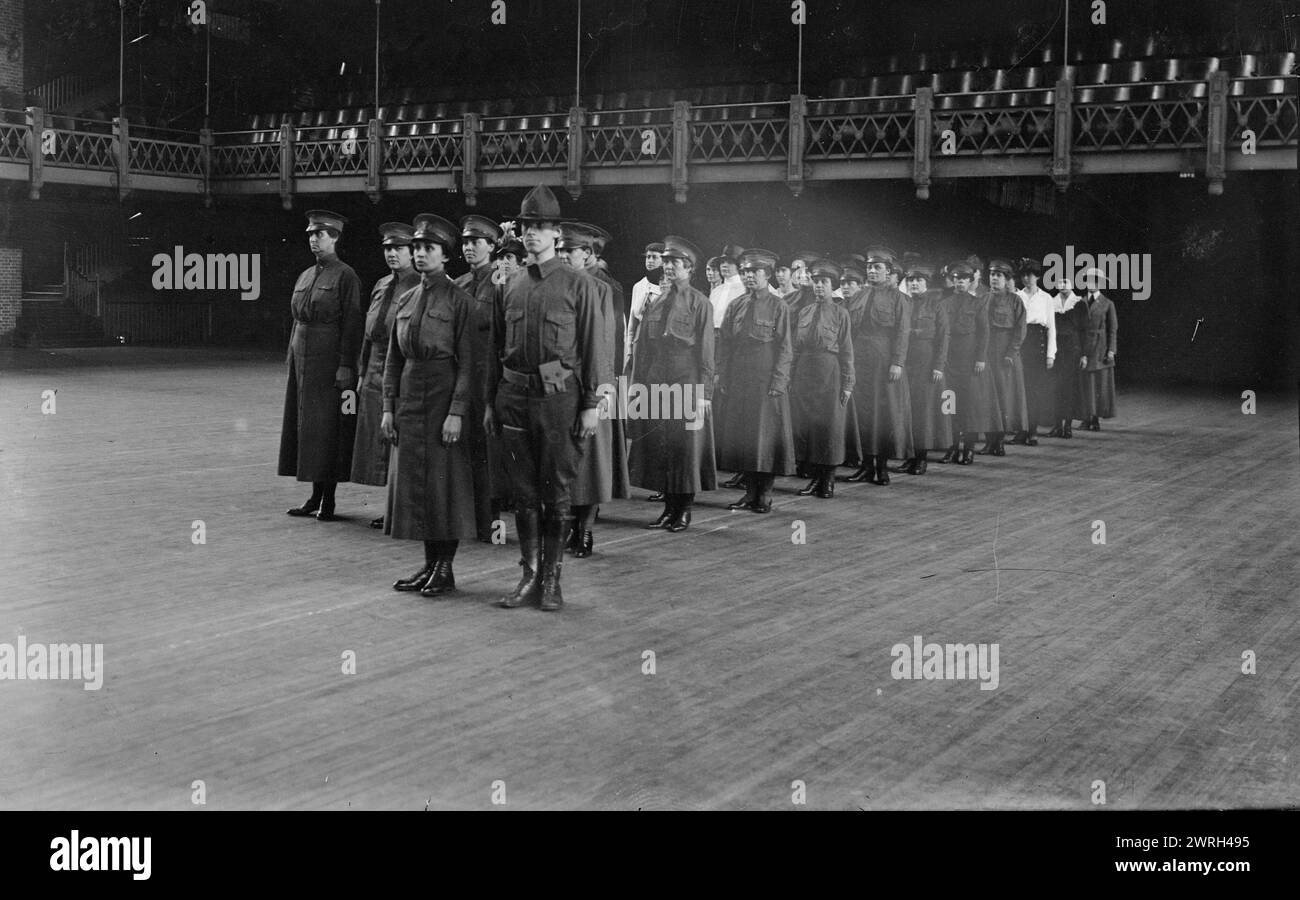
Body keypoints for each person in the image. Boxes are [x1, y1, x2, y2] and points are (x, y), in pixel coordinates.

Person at [484, 185, 610, 612]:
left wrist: (591, 403)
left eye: (540, 226)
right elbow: (496, 350)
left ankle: (552, 581)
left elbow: (594, 347)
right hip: (514, 400)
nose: (532, 233)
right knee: (522, 495)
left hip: (560, 402)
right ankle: (529, 576)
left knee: (556, 494)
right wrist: (490, 403)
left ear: (556, 233)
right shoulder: (511, 286)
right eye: (526, 226)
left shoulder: (580, 285)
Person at [381, 214, 477, 597]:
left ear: (445, 255)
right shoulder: (407, 298)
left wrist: (456, 412)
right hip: (410, 396)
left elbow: (469, 363)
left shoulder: (460, 301)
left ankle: (445, 567)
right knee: (418, 484)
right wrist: (388, 406)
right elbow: (393, 358)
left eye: (429, 249)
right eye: (417, 248)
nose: (420, 254)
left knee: (443, 485)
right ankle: (428, 563)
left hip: (441, 393)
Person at [279, 210, 365, 521]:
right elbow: (296, 320)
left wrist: (346, 366)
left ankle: (328, 498)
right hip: (303, 364)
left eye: (322, 235)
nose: (315, 240)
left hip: (329, 364)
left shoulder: (346, 276)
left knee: (328, 430)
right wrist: (292, 356)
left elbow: (353, 325)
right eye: (312, 235)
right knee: (307, 431)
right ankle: (314, 495)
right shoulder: (305, 275)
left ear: (336, 238)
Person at [627, 235, 716, 532]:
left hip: (686, 380)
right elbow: (643, 348)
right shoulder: (655, 302)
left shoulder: (700, 303)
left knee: (684, 448)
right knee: (661, 445)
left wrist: (704, 393)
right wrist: (637, 385)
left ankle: (684, 510)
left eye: (673, 262)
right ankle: (668, 509)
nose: (667, 266)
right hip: (656, 380)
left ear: (688, 267)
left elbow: (705, 350)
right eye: (664, 261)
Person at [557, 222, 630, 557]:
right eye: (559, 250)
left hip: (593, 386)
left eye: (568, 251)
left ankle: (584, 532)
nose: (562, 256)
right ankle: (570, 529)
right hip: (560, 384)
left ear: (587, 254)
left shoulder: (603, 289)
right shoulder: (556, 286)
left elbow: (608, 343)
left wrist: (604, 390)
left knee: (591, 464)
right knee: (568, 464)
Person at [716, 248, 796, 513]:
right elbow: (724, 346)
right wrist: (723, 376)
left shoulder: (778, 306)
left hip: (766, 382)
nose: (749, 276)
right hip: (740, 381)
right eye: (746, 271)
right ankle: (749, 493)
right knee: (745, 439)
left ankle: (764, 496)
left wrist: (779, 381)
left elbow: (785, 348)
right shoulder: (736, 305)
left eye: (754, 271)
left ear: (767, 274)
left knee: (765, 440)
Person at [352, 222, 420, 529]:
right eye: (388, 249)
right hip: (376, 370)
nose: (392, 254)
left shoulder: (419, 287)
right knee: (379, 441)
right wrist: (362, 371)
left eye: (399, 249)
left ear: (412, 252)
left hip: (402, 368)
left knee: (400, 440)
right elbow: (369, 334)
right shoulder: (381, 285)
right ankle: (391, 506)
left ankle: (404, 507)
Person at [455, 214, 512, 542]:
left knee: (491, 454)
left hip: (492, 377)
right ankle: (469, 517)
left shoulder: (502, 283)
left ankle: (492, 524)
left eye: (476, 242)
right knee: (466, 450)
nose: (469, 248)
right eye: (465, 242)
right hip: (464, 377)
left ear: (491, 247)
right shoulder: (459, 284)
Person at [844, 247, 912, 485]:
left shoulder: (898, 299)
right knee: (863, 415)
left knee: (883, 415)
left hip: (884, 363)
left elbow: (903, 333)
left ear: (888, 271)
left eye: (877, 267)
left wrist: (897, 362)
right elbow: (850, 332)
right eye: (869, 267)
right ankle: (865, 466)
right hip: (860, 361)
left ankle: (881, 467)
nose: (872, 271)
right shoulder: (858, 296)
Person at [789, 259, 854, 499]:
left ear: (832, 285)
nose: (818, 286)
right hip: (805, 374)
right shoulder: (804, 312)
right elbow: (795, 349)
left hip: (829, 373)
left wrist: (847, 383)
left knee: (829, 429)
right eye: (815, 282)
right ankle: (814, 479)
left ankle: (827, 481)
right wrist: (790, 376)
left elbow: (847, 351)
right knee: (808, 428)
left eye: (823, 282)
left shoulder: (841, 313)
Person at [940, 260, 1001, 465]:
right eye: (956, 280)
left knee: (970, 407)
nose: (959, 284)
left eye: (963, 280)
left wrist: (980, 359)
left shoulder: (977, 303)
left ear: (970, 281)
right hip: (950, 361)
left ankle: (968, 449)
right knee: (950, 406)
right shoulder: (944, 304)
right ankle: (951, 448)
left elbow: (984, 333)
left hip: (970, 362)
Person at [898, 261, 950, 475]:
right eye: (911, 280)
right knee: (907, 411)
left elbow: (943, 337)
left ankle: (921, 458)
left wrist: (938, 366)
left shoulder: (937, 305)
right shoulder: (903, 304)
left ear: (926, 284)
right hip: (906, 362)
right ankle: (909, 456)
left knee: (924, 413)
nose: (914, 284)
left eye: (919, 280)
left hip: (926, 364)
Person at [980, 259, 1027, 456]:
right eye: (992, 275)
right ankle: (989, 441)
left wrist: (1010, 353)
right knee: (987, 398)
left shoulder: (1015, 300)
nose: (994, 279)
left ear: (1007, 279)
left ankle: (999, 442)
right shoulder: (983, 299)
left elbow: (1020, 330)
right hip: (985, 354)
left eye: (998, 275)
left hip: (1005, 356)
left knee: (1003, 398)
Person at [1013, 257, 1056, 446]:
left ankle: (1032, 431)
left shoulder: (1046, 298)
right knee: (1019, 389)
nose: (1026, 279)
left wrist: (1050, 354)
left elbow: (1051, 328)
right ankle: (1020, 431)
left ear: (1037, 276)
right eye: (1023, 275)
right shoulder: (1017, 296)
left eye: (1030, 275)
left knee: (1034, 390)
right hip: (1019, 343)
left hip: (1037, 345)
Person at [1077, 269, 1118, 430]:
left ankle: (1095, 419)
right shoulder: (1080, 302)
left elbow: (1113, 329)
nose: (1091, 283)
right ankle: (1086, 417)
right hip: (1083, 347)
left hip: (1100, 349)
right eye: (1089, 280)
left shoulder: (1107, 303)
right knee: (1085, 384)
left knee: (1098, 385)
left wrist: (1111, 350)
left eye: (1095, 280)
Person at [1049, 278, 1089, 438]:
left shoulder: (1079, 303)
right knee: (1056, 388)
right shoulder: (1051, 302)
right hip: (1056, 350)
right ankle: (1057, 425)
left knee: (1070, 388)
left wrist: (1084, 354)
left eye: (1066, 281)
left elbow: (1085, 331)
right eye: (1060, 282)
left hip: (1072, 351)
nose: (1063, 285)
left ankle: (1068, 426)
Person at [626, 241, 664, 369]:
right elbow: (632, 324)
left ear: (663, 261)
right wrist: (629, 352)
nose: (650, 261)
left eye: (654, 257)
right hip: (639, 344)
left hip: (659, 346)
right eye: (648, 257)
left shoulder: (669, 288)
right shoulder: (639, 286)